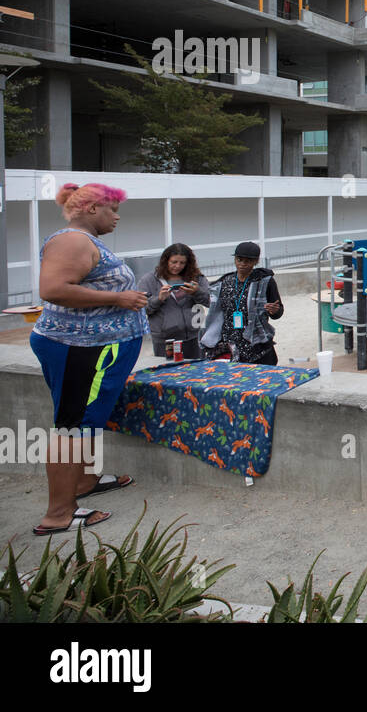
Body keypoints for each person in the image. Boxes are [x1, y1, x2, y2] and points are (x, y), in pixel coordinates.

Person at [29, 183, 148, 535]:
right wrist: (119, 299)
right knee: (72, 427)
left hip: (89, 348)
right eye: (112, 209)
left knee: (83, 421)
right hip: (82, 350)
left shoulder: (83, 241)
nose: (117, 216)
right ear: (93, 208)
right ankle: (58, 514)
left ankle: (85, 481)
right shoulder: (72, 241)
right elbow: (53, 289)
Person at [201, 242, 283, 364]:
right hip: (230, 345)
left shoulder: (265, 281)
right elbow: (213, 307)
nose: (243, 264)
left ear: (256, 261)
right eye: (239, 259)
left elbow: (278, 311)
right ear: (235, 259)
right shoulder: (225, 281)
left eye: (248, 261)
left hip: (257, 346)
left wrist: (275, 311)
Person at [138, 244, 210, 359]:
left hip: (193, 337)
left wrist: (197, 292)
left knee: (194, 373)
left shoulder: (197, 278)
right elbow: (141, 308)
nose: (178, 266)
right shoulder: (149, 280)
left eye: (182, 263)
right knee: (167, 373)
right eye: (174, 262)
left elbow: (211, 302)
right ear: (165, 261)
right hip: (165, 340)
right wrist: (159, 299)